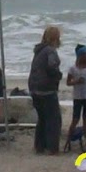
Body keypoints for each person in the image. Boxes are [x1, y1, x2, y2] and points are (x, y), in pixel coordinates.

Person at [28, 25, 63, 154]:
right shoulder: (50, 51)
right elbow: (52, 67)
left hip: (34, 87)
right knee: (53, 119)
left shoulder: (38, 51)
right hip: (46, 89)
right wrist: (58, 76)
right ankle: (52, 148)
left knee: (42, 118)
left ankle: (39, 146)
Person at [65, 43, 86, 148]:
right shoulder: (73, 69)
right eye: (83, 54)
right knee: (75, 119)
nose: (85, 56)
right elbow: (68, 82)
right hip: (78, 97)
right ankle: (68, 140)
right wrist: (76, 81)